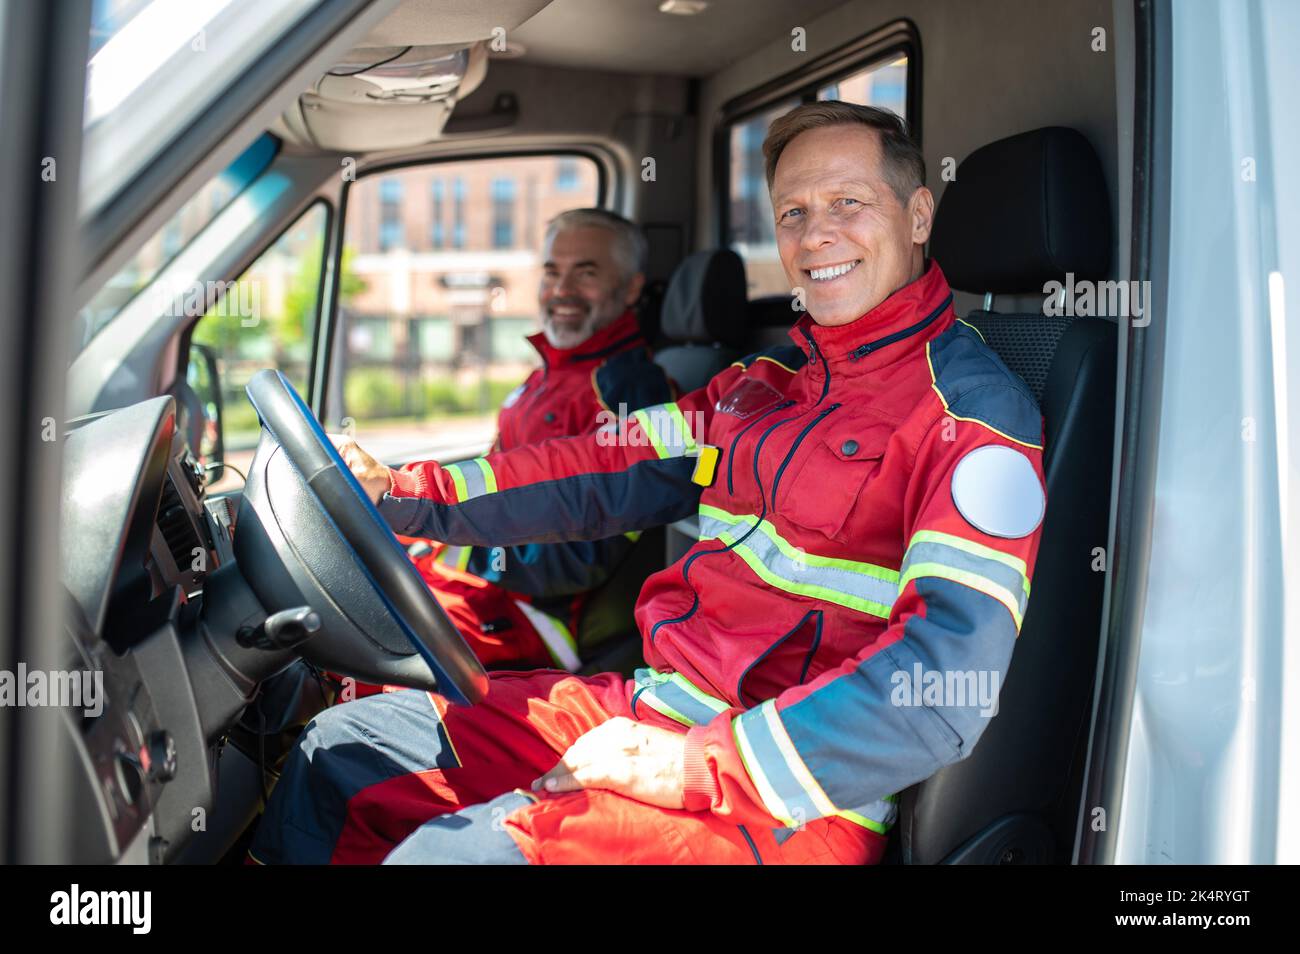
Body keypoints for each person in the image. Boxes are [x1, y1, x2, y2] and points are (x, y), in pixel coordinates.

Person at [251, 101, 1047, 865]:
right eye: (794, 212)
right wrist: (397, 487)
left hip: (787, 798)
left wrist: (700, 766)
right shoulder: (756, 387)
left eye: (849, 202)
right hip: (652, 709)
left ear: (916, 216)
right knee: (344, 751)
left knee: (464, 856)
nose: (817, 235)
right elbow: (590, 466)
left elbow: (944, 681)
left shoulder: (974, 416)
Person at [390, 208, 674, 674]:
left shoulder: (631, 392)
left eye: (586, 274)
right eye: (552, 272)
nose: (562, 290)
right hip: (490, 588)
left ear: (631, 288)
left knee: (378, 640)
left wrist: (457, 549)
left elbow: (584, 556)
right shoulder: (545, 375)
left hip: (544, 618)